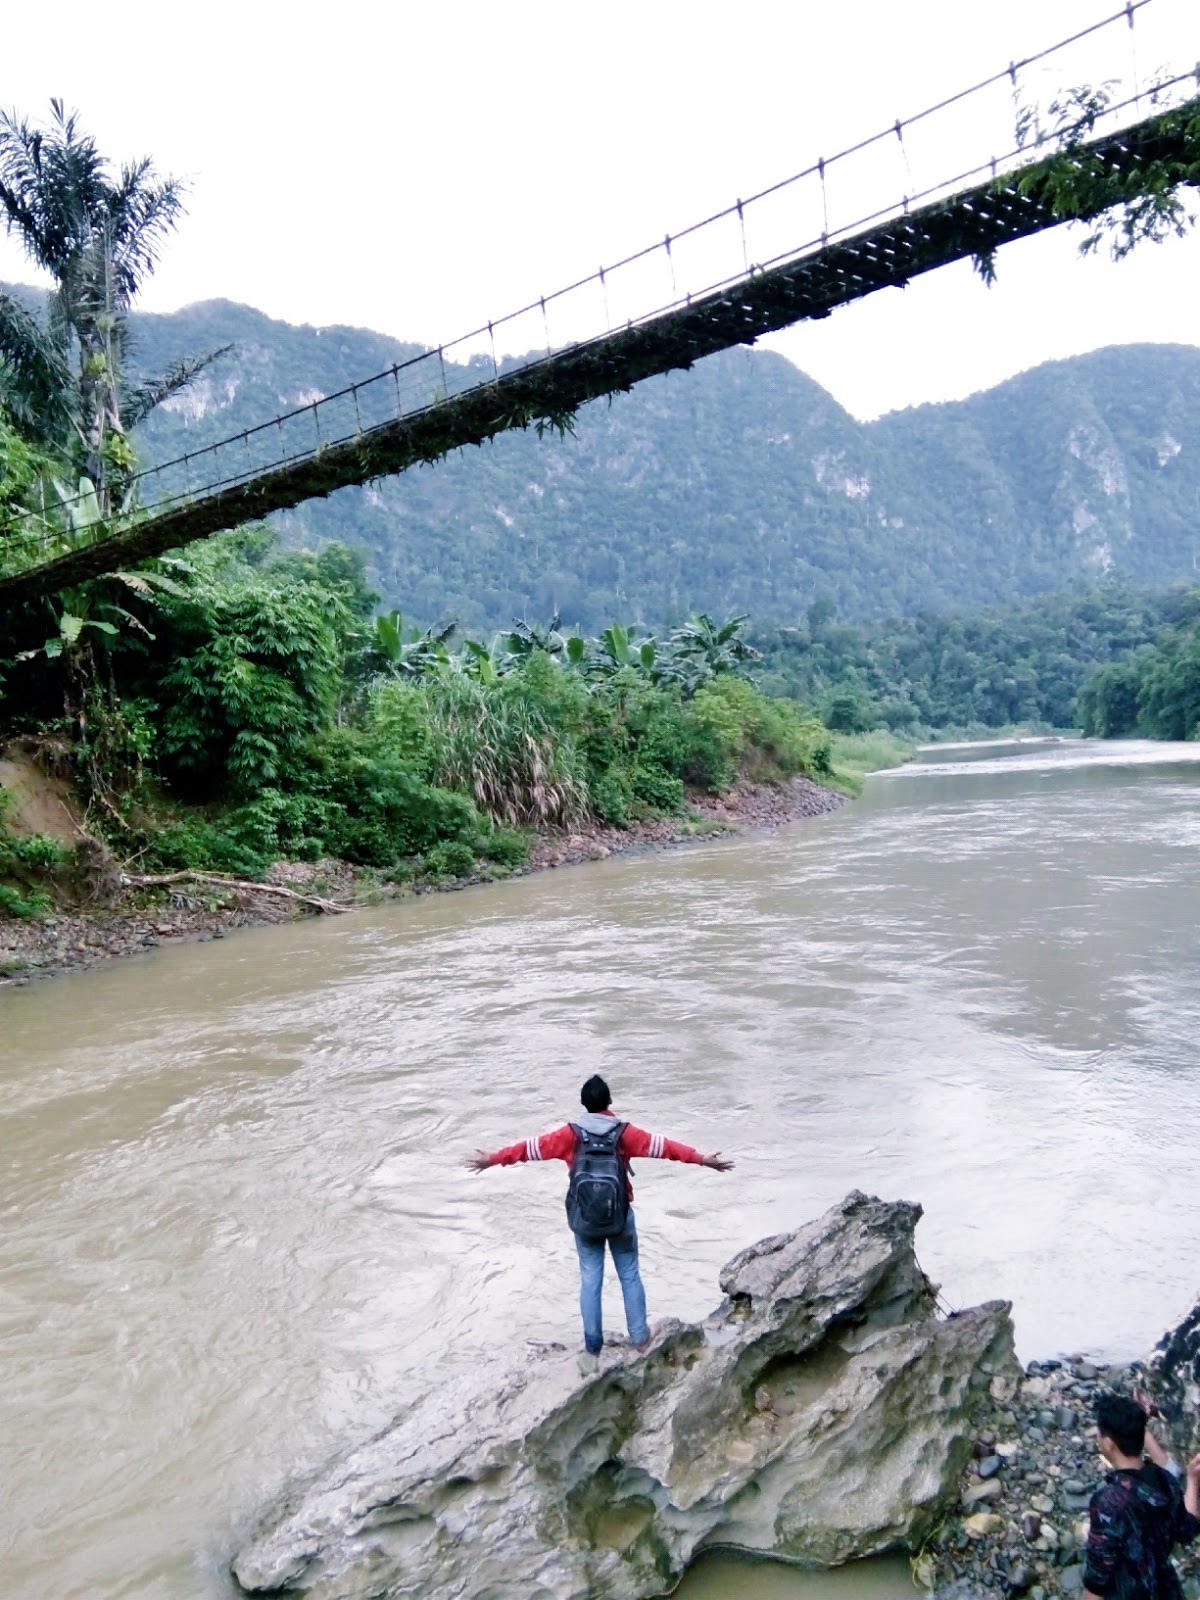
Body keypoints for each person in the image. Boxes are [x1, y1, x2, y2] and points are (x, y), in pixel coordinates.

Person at [466, 1074, 733, 1373]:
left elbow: (529, 1149)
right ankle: (641, 1339)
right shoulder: (625, 1133)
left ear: (583, 1104)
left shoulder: (569, 1135)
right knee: (629, 1274)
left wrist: (492, 1159)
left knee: (590, 1279)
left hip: (584, 1220)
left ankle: (592, 1351)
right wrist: (702, 1159)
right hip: (620, 1217)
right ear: (610, 1102)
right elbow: (665, 1147)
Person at [1082, 1391, 1200, 1600]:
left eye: (1099, 1434)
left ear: (1108, 1443)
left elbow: (1098, 1579)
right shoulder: (1165, 1480)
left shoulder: (1109, 1502)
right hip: (1168, 1592)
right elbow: (1187, 1529)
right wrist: (1192, 1481)